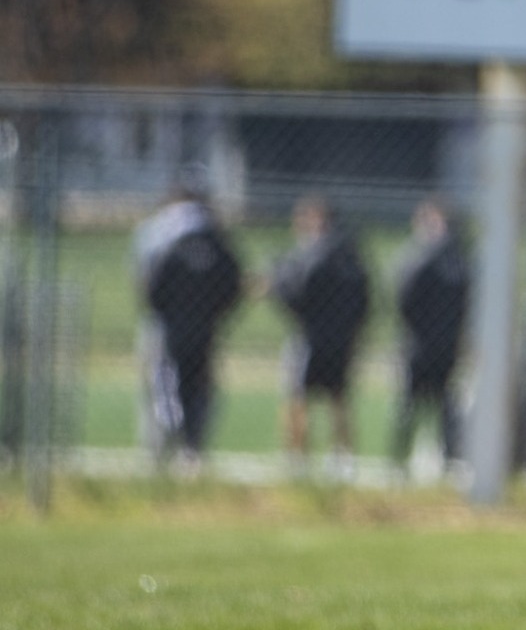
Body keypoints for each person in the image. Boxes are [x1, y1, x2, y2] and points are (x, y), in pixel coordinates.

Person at [133, 183, 244, 471]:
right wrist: (217, 314)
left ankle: (162, 450)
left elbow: (148, 284)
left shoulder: (157, 231)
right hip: (205, 325)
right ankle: (192, 448)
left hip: (166, 324)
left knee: (163, 386)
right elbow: (233, 284)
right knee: (198, 387)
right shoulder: (217, 237)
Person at [270, 195, 371, 475]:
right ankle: (343, 458)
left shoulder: (310, 253)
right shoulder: (352, 254)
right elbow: (366, 299)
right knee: (339, 398)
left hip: (310, 336)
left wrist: (276, 285)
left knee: (297, 397)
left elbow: (296, 292)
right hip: (343, 337)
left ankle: (297, 458)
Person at [390, 196, 470, 479]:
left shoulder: (420, 256)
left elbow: (403, 296)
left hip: (419, 341)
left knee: (410, 403)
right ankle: (447, 458)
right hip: (447, 340)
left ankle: (399, 460)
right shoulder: (461, 259)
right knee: (444, 402)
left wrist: (413, 328)